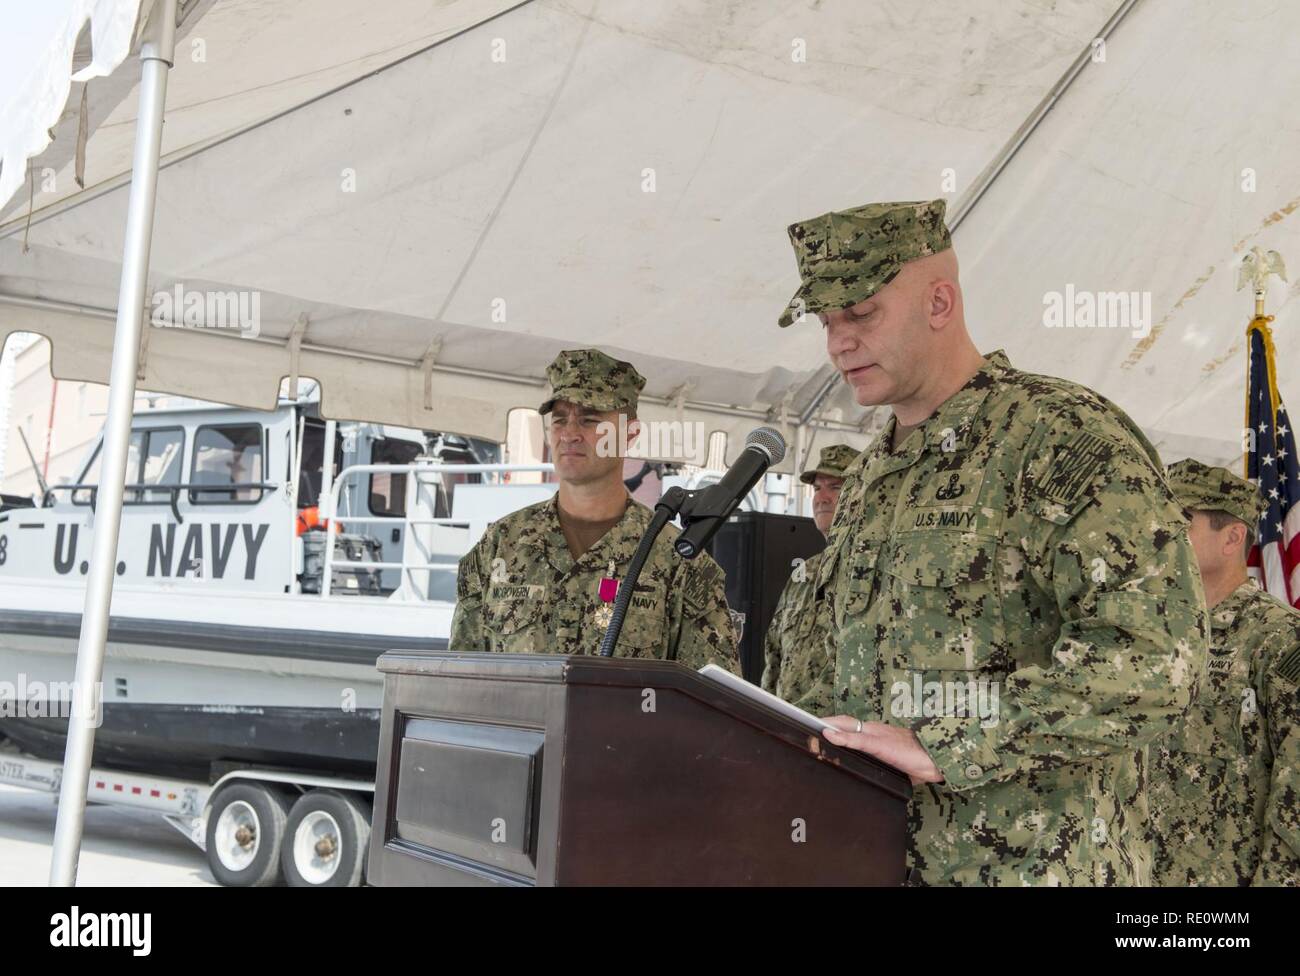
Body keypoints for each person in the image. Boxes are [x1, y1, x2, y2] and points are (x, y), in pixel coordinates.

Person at [778, 198, 1209, 885]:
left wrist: (953, 741)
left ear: (940, 302)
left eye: (860, 314)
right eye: (827, 322)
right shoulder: (868, 475)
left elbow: (1159, 661)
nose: (837, 343)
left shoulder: (1061, 438)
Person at [451, 348, 740, 672]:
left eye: (589, 419)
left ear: (629, 434)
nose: (570, 433)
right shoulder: (500, 546)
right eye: (559, 419)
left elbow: (713, 705)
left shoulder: (678, 562)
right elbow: (459, 682)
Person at [1149, 458, 1300, 886]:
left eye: (1180, 522)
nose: (1159, 535)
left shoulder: (1280, 640)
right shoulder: (1151, 636)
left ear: (1232, 537)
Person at [760, 444, 858, 713]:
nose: (821, 498)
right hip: (789, 734)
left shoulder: (873, 573)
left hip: (840, 738)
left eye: (835, 487)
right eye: (817, 488)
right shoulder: (803, 574)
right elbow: (774, 655)